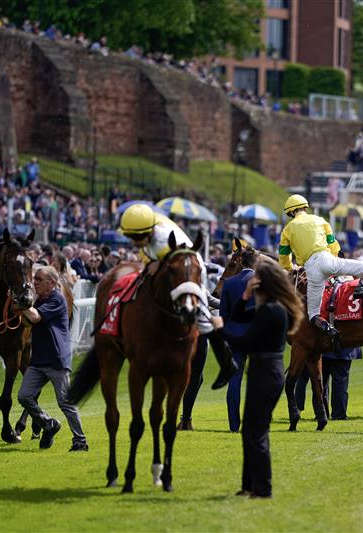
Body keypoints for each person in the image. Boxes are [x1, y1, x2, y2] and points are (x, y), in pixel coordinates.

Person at [211, 259, 304, 499]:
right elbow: (239, 316)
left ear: (263, 283)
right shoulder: (269, 308)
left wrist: (220, 330)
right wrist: (245, 295)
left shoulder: (271, 310)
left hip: (266, 373)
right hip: (264, 372)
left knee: (256, 433)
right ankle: (249, 486)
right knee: (251, 431)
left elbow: (245, 342)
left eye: (255, 279)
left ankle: (263, 489)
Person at [119, 203, 237, 390]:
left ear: (148, 231)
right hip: (177, 267)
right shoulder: (147, 227)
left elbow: (174, 265)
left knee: (203, 320)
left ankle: (227, 363)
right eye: (131, 237)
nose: (135, 241)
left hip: (191, 269)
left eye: (138, 237)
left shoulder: (162, 240)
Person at [278, 195, 363, 347]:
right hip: (328, 261)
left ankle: (330, 330)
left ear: (291, 212)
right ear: (305, 207)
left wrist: (290, 267)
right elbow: (333, 245)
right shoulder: (320, 220)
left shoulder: (287, 229)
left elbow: (284, 255)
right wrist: (336, 262)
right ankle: (361, 288)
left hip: (311, 270)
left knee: (313, 315)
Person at [18, 266, 88, 451]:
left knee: (65, 403)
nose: (35, 282)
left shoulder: (57, 299)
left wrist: (20, 303)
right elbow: (27, 320)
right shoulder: (39, 300)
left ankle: (80, 441)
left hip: (56, 360)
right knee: (24, 396)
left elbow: (35, 317)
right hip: (38, 360)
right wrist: (19, 303)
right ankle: (48, 424)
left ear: (51, 283)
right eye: (35, 279)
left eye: (39, 279)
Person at [219, 246, 258, 432]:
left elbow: (223, 314)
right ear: (255, 262)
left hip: (234, 336)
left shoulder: (229, 283)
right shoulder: (263, 282)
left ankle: (234, 425)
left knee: (234, 382)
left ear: (241, 262)